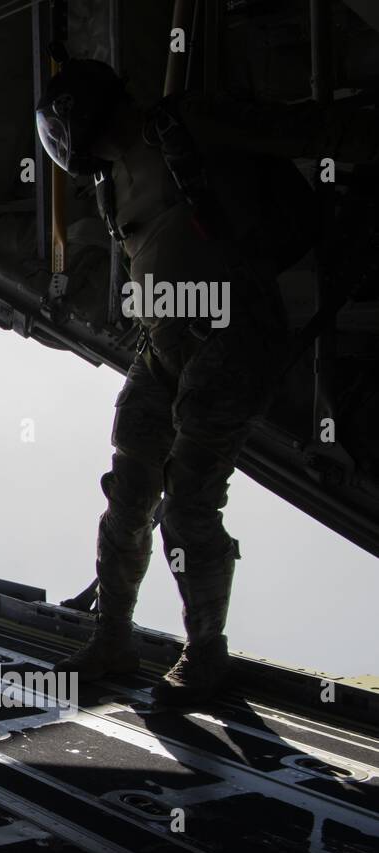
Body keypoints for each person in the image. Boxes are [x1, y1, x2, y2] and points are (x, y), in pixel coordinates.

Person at [36, 58, 378, 705]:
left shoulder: (183, 122)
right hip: (162, 347)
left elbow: (305, 129)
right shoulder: (112, 186)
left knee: (190, 502)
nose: (59, 144)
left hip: (233, 331)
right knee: (127, 496)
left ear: (79, 112)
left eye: (59, 125)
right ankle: (112, 638)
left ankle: (206, 656)